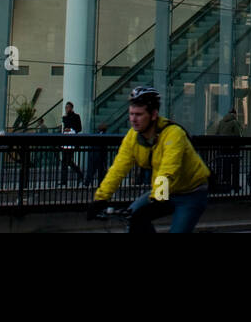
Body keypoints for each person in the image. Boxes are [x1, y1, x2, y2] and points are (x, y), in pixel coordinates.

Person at [89, 86, 210, 233]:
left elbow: (168, 169)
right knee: (133, 217)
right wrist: (101, 198)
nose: (133, 119)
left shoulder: (173, 134)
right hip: (164, 191)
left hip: (191, 192)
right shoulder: (132, 137)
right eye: (131, 114)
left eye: (139, 114)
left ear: (153, 115)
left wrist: (156, 199)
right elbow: (118, 169)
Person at [60, 101, 84, 186]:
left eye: (68, 107)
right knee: (64, 161)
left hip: (72, 141)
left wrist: (70, 130)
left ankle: (80, 173)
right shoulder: (64, 118)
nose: (66, 109)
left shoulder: (76, 117)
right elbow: (64, 128)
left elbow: (79, 128)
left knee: (68, 161)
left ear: (71, 108)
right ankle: (63, 181)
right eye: (66, 108)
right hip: (65, 141)